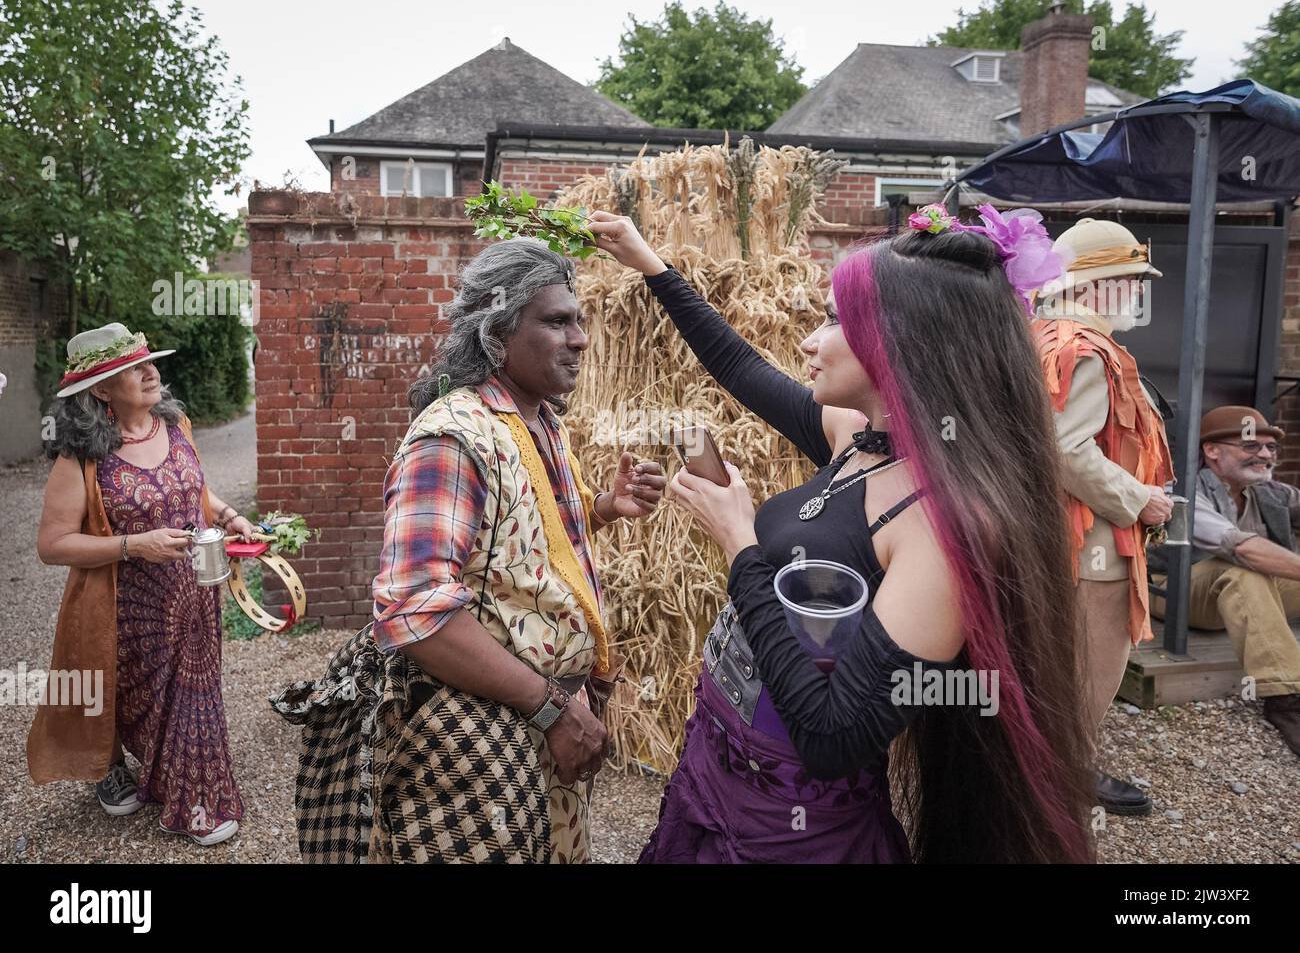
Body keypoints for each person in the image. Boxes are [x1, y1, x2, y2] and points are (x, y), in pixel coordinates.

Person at [588, 204, 1095, 863]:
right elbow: (740, 368)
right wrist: (648, 261)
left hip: (787, 835)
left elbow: (834, 737)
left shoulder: (947, 530)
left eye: (834, 320)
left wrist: (741, 544)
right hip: (711, 777)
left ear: (902, 341)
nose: (808, 340)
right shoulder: (854, 440)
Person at [274, 238, 666, 863]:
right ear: (496, 332)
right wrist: (550, 709)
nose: (581, 339)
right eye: (557, 321)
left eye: (580, 320)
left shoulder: (538, 422)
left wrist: (603, 508)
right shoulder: (453, 439)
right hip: (479, 743)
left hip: (537, 732)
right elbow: (413, 610)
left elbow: (521, 543)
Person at [30, 322, 254, 846]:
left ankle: (199, 797)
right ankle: (110, 763)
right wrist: (135, 545)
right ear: (102, 390)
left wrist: (230, 515)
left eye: (148, 361)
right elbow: (52, 544)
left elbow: (195, 490)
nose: (150, 371)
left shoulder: (177, 428)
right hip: (124, 606)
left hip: (193, 594)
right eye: (131, 368)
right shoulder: (81, 456)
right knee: (129, 697)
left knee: (194, 693)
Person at [1033, 217, 1175, 817]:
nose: (1139, 295)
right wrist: (1140, 499)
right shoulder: (1085, 349)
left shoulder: (1041, 336)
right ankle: (1060, 799)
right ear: (1094, 287)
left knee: (1053, 674)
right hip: (1092, 548)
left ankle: (1055, 782)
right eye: (1131, 281)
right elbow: (1066, 450)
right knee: (1086, 680)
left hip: (1061, 540)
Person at [1149, 406, 1300, 757]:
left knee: (1251, 575)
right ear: (1212, 451)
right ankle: (1286, 699)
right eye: (1251, 446)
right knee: (1244, 569)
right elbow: (1241, 549)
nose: (1264, 454)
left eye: (1270, 448)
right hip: (1178, 593)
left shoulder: (1272, 492)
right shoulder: (1183, 492)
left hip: (1246, 594)